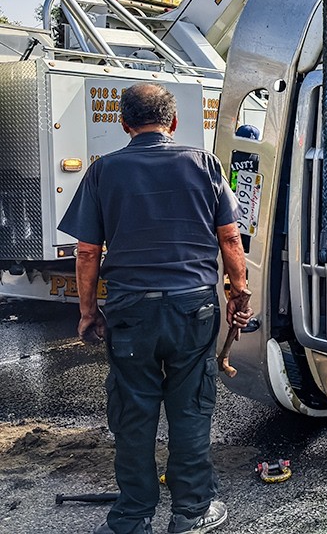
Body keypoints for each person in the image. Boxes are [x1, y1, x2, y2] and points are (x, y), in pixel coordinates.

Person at [59, 83, 253, 534]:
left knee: (134, 412)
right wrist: (237, 291)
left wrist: (88, 313)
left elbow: (87, 252)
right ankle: (191, 513)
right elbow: (229, 237)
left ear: (124, 124)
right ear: (174, 122)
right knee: (190, 410)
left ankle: (131, 517)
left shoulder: (104, 171)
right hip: (193, 309)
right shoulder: (204, 164)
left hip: (131, 313)